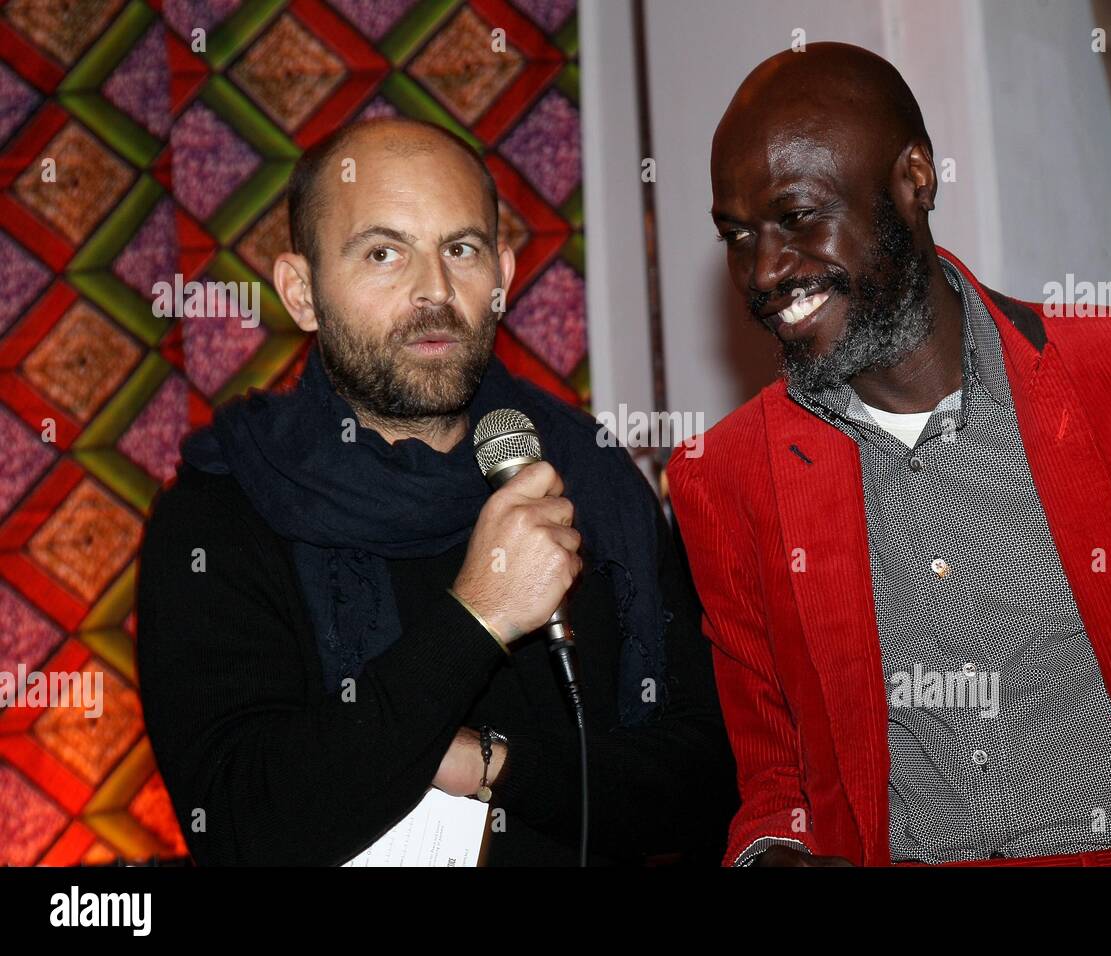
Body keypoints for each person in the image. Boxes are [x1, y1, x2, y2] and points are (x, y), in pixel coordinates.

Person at [667, 43, 1111, 867]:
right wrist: (771, 850)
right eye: (738, 235)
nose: (764, 271)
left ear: (914, 180)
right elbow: (774, 778)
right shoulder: (727, 480)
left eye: (797, 218)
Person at [136, 117, 736, 866]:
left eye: (461, 249)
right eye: (383, 253)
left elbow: (709, 783)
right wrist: (476, 615)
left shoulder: (590, 477)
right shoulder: (220, 513)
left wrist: (494, 766)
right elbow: (238, 827)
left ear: (503, 278)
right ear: (302, 292)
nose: (434, 290)